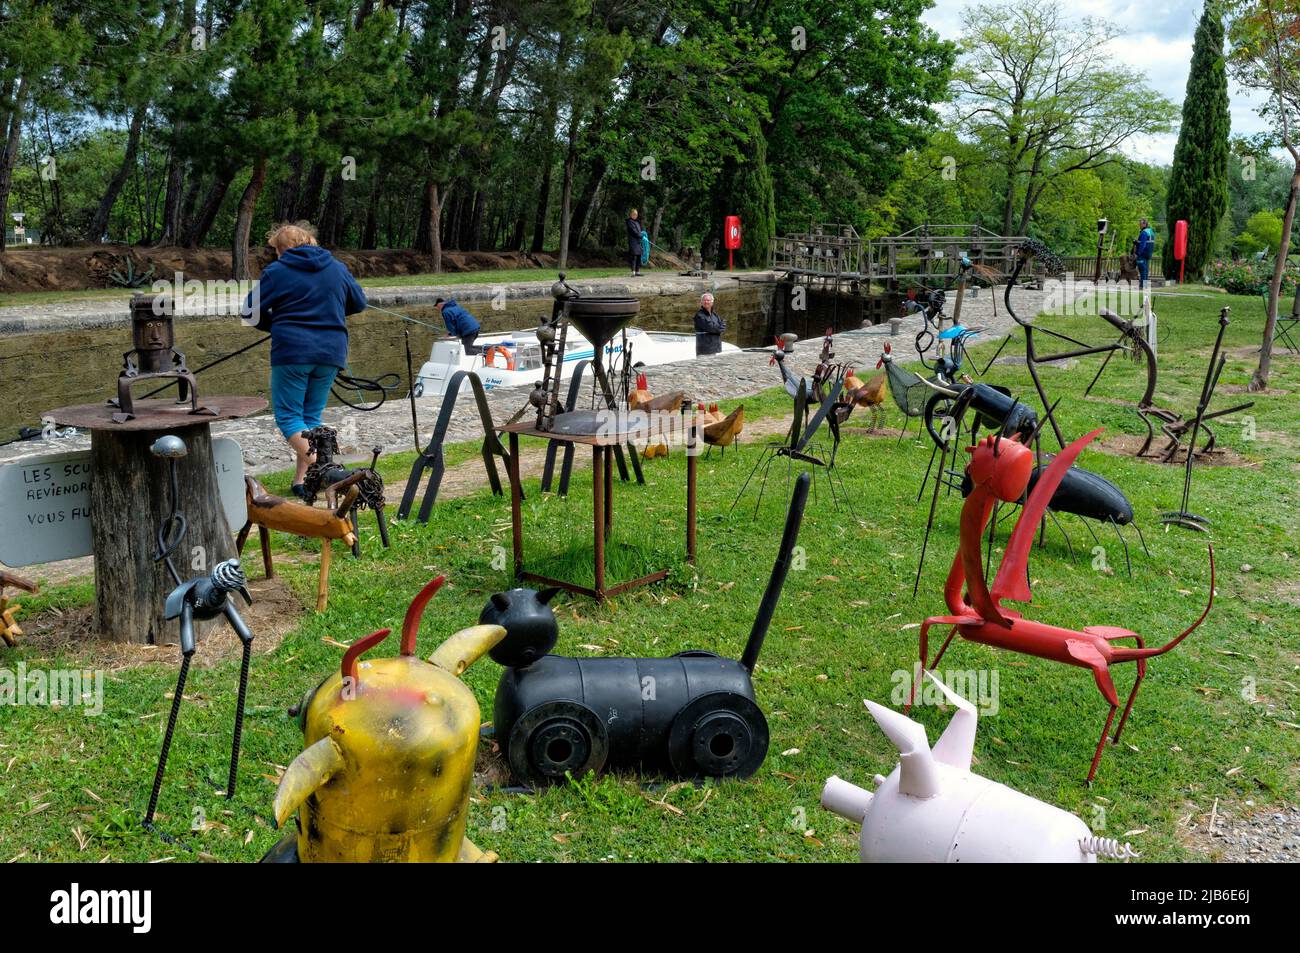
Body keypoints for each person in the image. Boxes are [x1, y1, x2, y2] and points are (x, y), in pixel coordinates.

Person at [241, 222, 367, 498]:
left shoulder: (277, 271)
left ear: (282, 249)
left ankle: (328, 472)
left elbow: (250, 311)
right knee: (310, 418)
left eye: (275, 250)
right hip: (332, 351)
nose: (275, 256)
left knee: (288, 418)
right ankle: (303, 483)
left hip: (293, 351)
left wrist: (276, 325)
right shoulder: (336, 267)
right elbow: (358, 302)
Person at [1134, 218, 1156, 289]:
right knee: (1146, 270)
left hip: (1142, 254)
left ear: (1144, 224)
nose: (1139, 225)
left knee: (1142, 270)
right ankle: (1145, 286)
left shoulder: (1144, 233)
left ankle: (1142, 286)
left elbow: (1142, 245)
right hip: (1148, 254)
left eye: (1140, 224)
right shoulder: (1151, 231)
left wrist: (1137, 253)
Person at [626, 209, 644, 276]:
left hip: (638, 242)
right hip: (633, 241)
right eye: (634, 214)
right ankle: (633, 271)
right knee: (634, 256)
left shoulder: (637, 222)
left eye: (636, 214)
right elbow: (633, 231)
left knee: (639, 256)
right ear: (631, 214)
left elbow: (639, 231)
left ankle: (637, 271)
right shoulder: (629, 221)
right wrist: (640, 236)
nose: (635, 215)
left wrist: (642, 235)